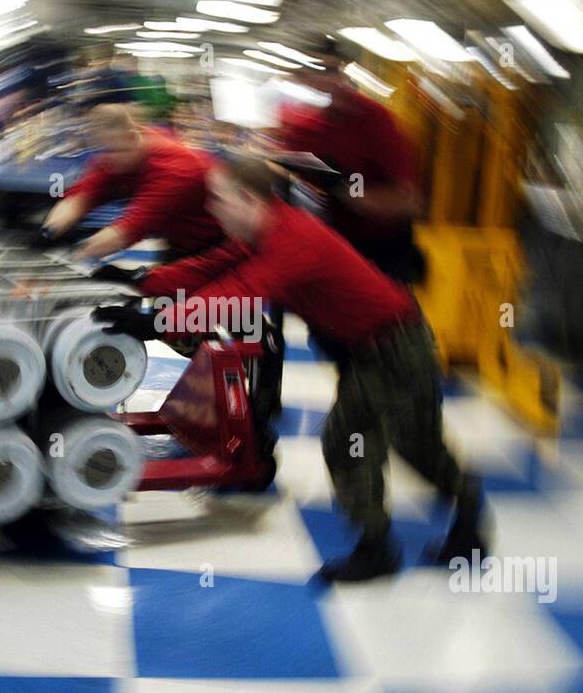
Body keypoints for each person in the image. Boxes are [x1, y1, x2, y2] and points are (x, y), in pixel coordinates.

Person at [92, 153, 488, 582]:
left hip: (394, 348)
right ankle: (464, 525)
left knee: (351, 439)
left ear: (248, 198)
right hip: (378, 347)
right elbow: (214, 268)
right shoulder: (268, 227)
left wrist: (154, 321)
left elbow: (236, 293)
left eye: (218, 200)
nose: (212, 209)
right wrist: (142, 280)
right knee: (416, 442)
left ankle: (379, 551)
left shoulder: (291, 240)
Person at [278, 40, 424, 283]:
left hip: (383, 250)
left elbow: (409, 201)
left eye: (331, 71)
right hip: (336, 244)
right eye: (311, 72)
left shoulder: (375, 121)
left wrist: (349, 191)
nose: (323, 82)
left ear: (342, 72)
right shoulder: (302, 128)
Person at [41, 103, 222, 261]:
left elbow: (126, 232)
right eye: (99, 151)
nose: (103, 160)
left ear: (133, 138)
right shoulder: (118, 147)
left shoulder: (176, 169)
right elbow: (82, 196)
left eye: (111, 152)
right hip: (178, 239)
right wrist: (48, 233)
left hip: (215, 248)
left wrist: (67, 256)